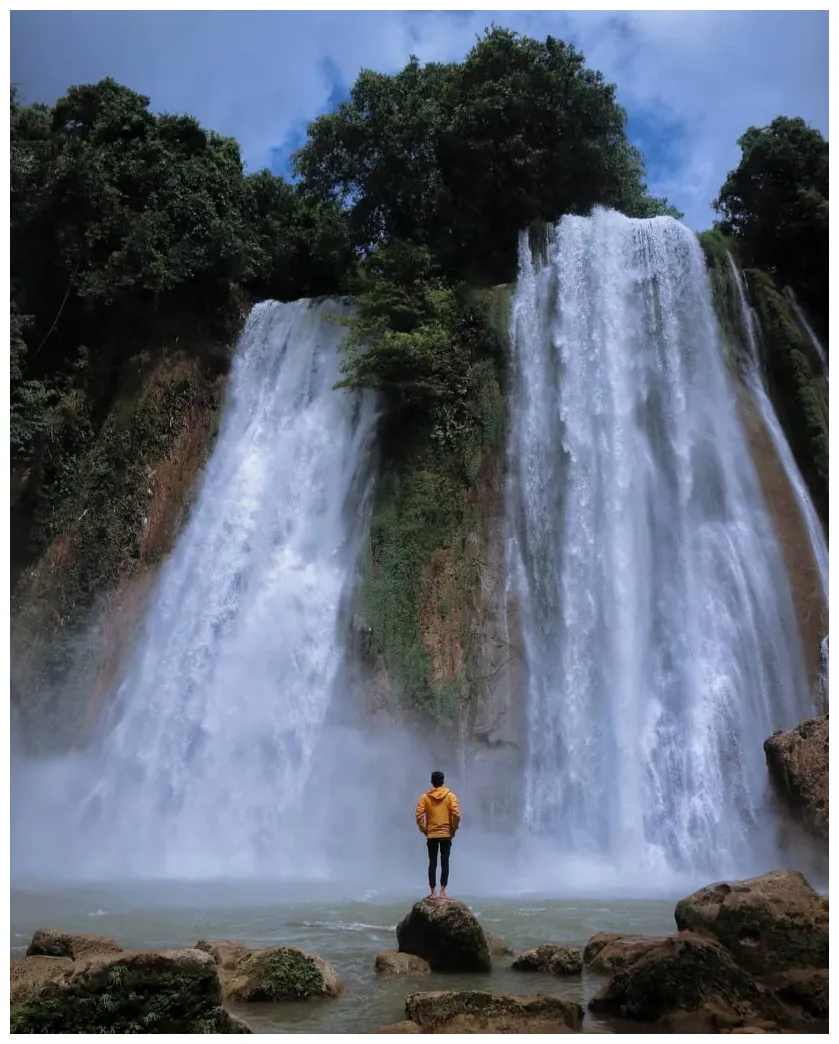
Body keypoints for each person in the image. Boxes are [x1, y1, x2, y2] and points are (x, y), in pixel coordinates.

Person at [415, 770, 461, 899]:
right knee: (445, 861)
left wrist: (425, 829)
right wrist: (453, 828)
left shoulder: (425, 797)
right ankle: (443, 891)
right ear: (443, 781)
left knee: (432, 862)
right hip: (446, 834)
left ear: (432, 782)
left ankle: (432, 892)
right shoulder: (450, 796)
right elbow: (456, 814)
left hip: (432, 835)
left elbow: (419, 815)